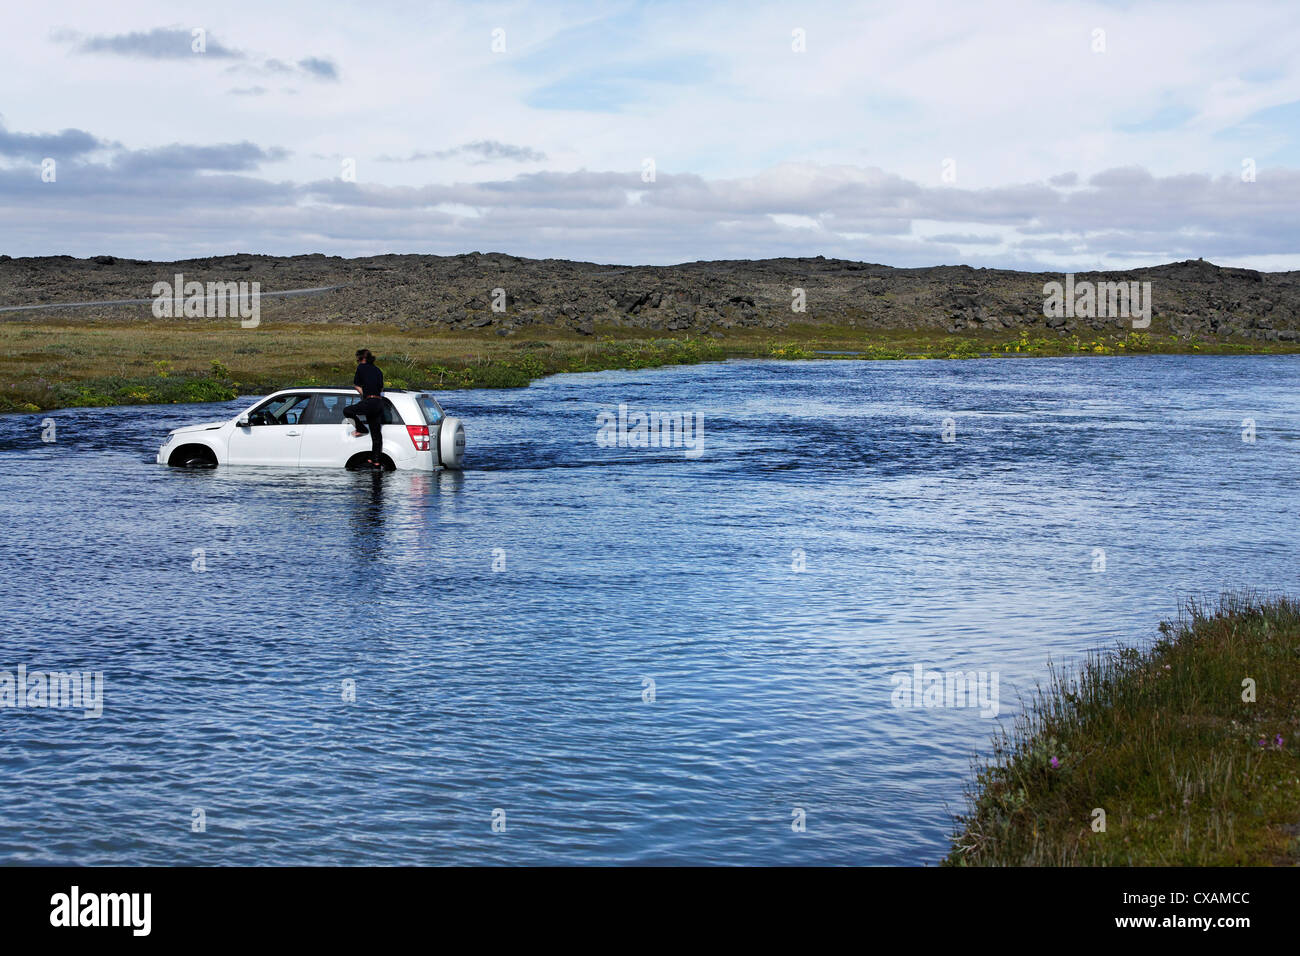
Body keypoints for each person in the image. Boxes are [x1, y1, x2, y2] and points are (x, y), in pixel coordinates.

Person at [343, 349, 385, 467]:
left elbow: (356, 384)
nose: (358, 361)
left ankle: (361, 429)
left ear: (362, 358)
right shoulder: (378, 370)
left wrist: (364, 395)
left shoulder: (361, 368)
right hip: (378, 402)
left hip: (370, 400)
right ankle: (376, 459)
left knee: (347, 410)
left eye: (358, 359)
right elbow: (381, 388)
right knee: (376, 434)